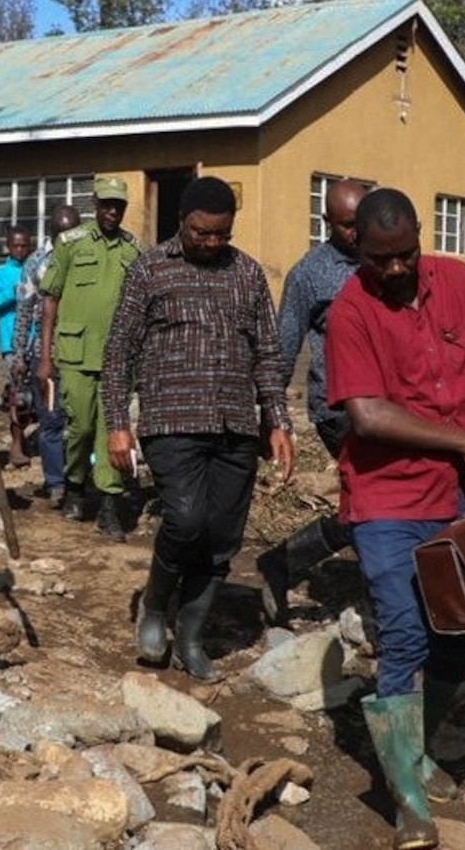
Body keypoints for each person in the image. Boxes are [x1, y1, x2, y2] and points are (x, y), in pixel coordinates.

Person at [325, 187, 465, 850]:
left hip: (463, 497)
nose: (395, 270)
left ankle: (414, 752)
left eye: (406, 254)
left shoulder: (462, 283)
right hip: (386, 497)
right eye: (380, 259)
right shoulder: (351, 309)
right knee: (406, 631)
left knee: (463, 631)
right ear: (359, 247)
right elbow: (367, 414)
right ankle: (407, 799)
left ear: (419, 239)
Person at [102, 176, 295, 680]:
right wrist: (118, 425)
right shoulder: (149, 269)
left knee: (223, 538)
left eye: (221, 235)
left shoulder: (248, 274)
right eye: (199, 233)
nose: (210, 243)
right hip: (171, 420)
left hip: (235, 425)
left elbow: (269, 353)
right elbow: (119, 350)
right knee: (186, 520)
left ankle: (190, 636)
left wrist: (276, 420)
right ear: (181, 223)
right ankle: (155, 606)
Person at [259, 179, 369, 626]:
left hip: (389, 406)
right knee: (373, 501)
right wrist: (274, 418)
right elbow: (285, 348)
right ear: (327, 223)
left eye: (361, 223)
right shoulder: (309, 274)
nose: (356, 234)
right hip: (338, 409)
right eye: (346, 226)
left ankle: (282, 563)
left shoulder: (385, 259)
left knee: (379, 502)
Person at [37, 178, 141, 541]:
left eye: (119, 206)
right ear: (95, 203)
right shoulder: (71, 243)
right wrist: (44, 357)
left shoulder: (133, 249)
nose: (113, 211)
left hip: (117, 357)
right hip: (76, 353)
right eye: (107, 204)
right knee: (80, 426)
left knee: (110, 429)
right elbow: (50, 299)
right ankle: (76, 483)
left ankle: (110, 504)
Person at [13, 205, 79, 504]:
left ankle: (81, 480)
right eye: (61, 233)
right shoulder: (36, 262)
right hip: (44, 356)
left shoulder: (86, 258)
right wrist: (18, 356)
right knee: (51, 421)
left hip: (81, 354)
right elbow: (24, 311)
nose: (68, 239)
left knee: (81, 421)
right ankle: (56, 483)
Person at [0, 225, 33, 468]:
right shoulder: (1, 273)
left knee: (36, 392)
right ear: (8, 246)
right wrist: (13, 293)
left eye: (24, 245)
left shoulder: (35, 269)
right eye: (15, 245)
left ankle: (28, 437)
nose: (20, 250)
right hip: (10, 342)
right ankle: (16, 444)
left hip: (34, 340)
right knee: (18, 394)